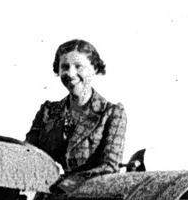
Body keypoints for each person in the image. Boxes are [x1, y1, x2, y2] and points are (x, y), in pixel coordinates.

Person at [24, 39, 127, 184]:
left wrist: (63, 181)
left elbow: (109, 167)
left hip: (83, 199)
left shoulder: (112, 114)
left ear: (95, 69)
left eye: (79, 66)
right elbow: (26, 152)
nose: (71, 73)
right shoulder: (47, 111)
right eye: (65, 67)